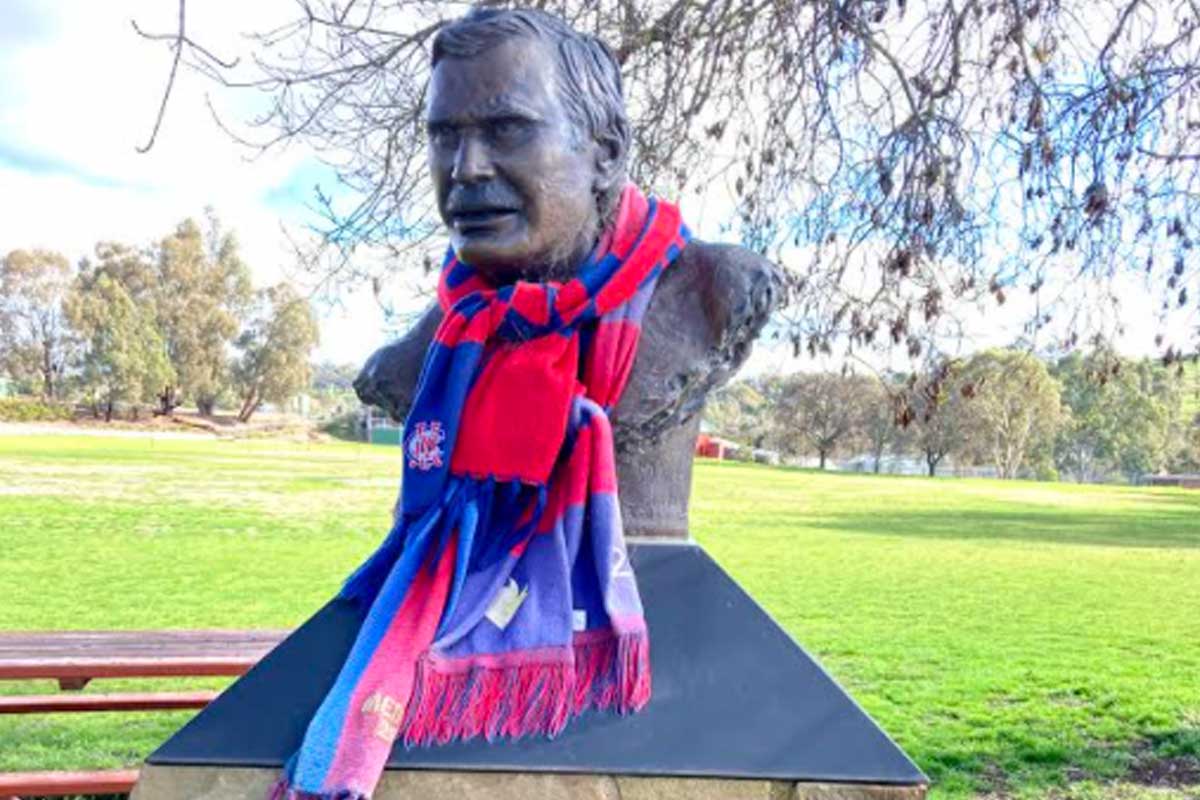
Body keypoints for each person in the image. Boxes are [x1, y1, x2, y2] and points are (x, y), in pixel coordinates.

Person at [275, 8, 778, 799]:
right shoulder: (426, 357)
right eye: (444, 136)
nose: (466, 168)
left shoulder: (713, 294)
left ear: (605, 154)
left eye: (506, 130)